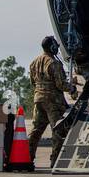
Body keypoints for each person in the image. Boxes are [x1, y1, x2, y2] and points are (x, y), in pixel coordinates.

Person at [28, 36, 77, 167]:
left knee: (36, 131)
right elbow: (60, 84)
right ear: (52, 47)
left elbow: (33, 82)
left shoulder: (34, 62)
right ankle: (55, 161)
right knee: (57, 131)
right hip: (53, 102)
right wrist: (72, 88)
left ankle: (27, 158)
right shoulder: (53, 63)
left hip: (38, 100)